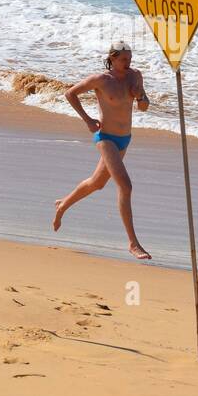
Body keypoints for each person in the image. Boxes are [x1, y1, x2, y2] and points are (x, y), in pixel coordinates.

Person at [54, 42, 151, 260]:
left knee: (97, 183)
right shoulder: (101, 80)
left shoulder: (135, 76)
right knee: (125, 186)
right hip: (105, 138)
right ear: (113, 59)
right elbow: (70, 93)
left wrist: (140, 96)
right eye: (124, 59)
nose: (128, 63)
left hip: (125, 138)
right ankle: (133, 244)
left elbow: (144, 107)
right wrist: (87, 120)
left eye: (130, 58)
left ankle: (62, 204)